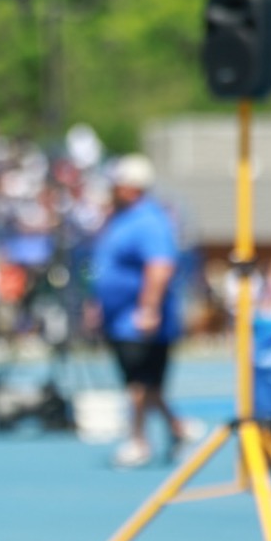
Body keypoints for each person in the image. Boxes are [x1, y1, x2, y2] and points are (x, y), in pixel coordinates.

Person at [90, 154, 185, 468]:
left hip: (137, 317)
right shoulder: (123, 218)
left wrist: (148, 308)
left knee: (139, 383)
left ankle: (138, 439)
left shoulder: (148, 221)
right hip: (120, 316)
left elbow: (159, 267)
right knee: (146, 385)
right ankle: (176, 428)